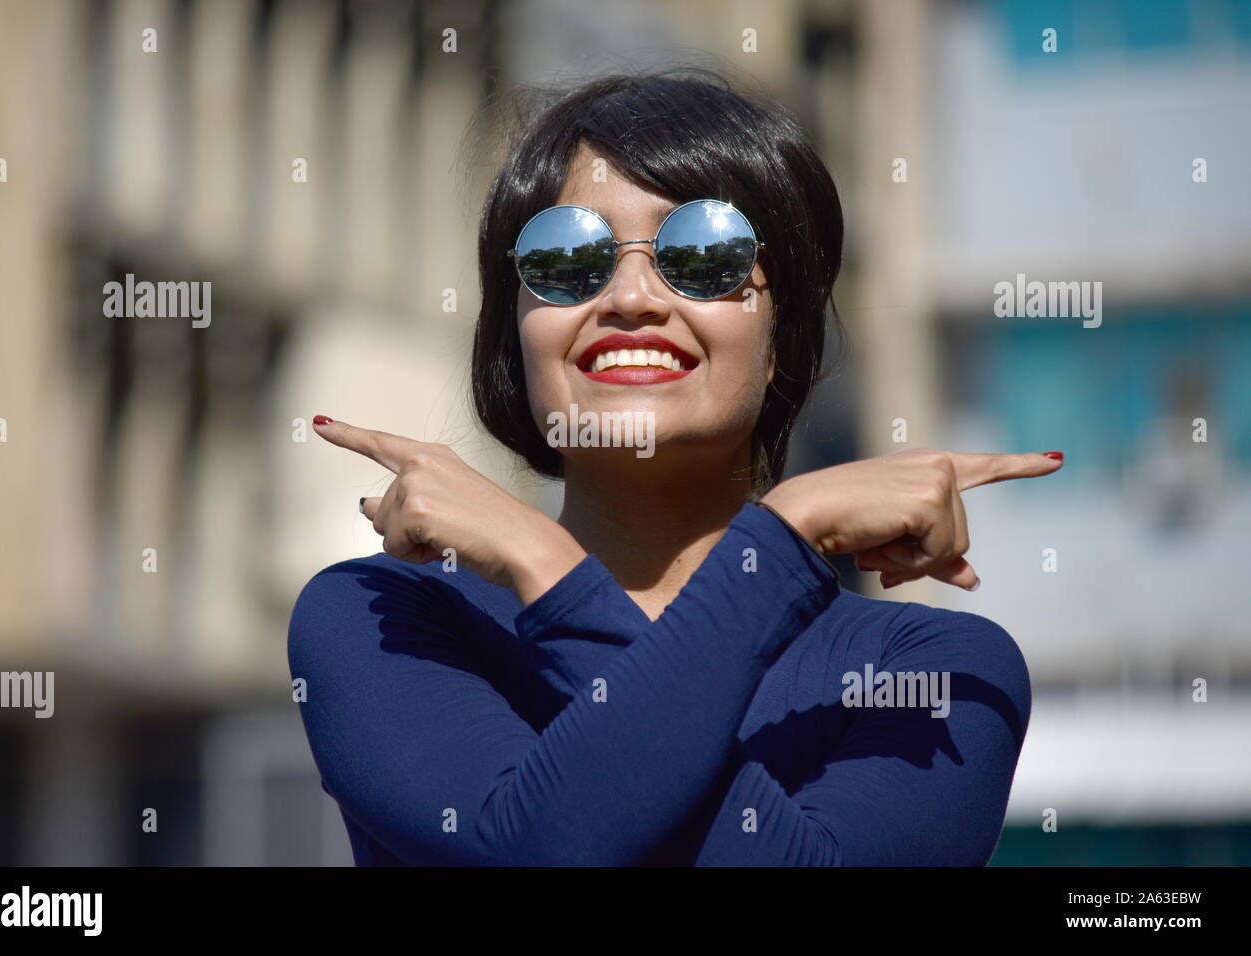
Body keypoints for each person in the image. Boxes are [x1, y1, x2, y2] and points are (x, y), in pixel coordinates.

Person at [287, 68, 1061, 866]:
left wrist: (763, 546)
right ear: (514, 338)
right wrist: (567, 567)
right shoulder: (385, 615)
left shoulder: (938, 672)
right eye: (566, 257)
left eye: (702, 253)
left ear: (782, 340)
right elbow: (531, 846)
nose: (630, 296)